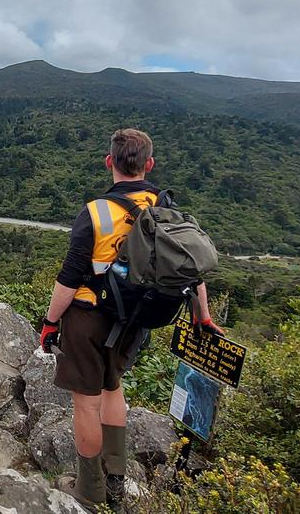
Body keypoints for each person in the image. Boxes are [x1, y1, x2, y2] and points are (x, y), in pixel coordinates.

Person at [39, 129, 224, 512]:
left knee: (86, 404)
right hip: (137, 321)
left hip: (90, 319)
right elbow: (191, 270)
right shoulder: (166, 208)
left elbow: (69, 279)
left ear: (109, 162)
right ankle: (117, 479)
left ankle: (89, 489)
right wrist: (203, 316)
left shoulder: (95, 213)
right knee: (113, 389)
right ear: (149, 165)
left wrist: (50, 322)